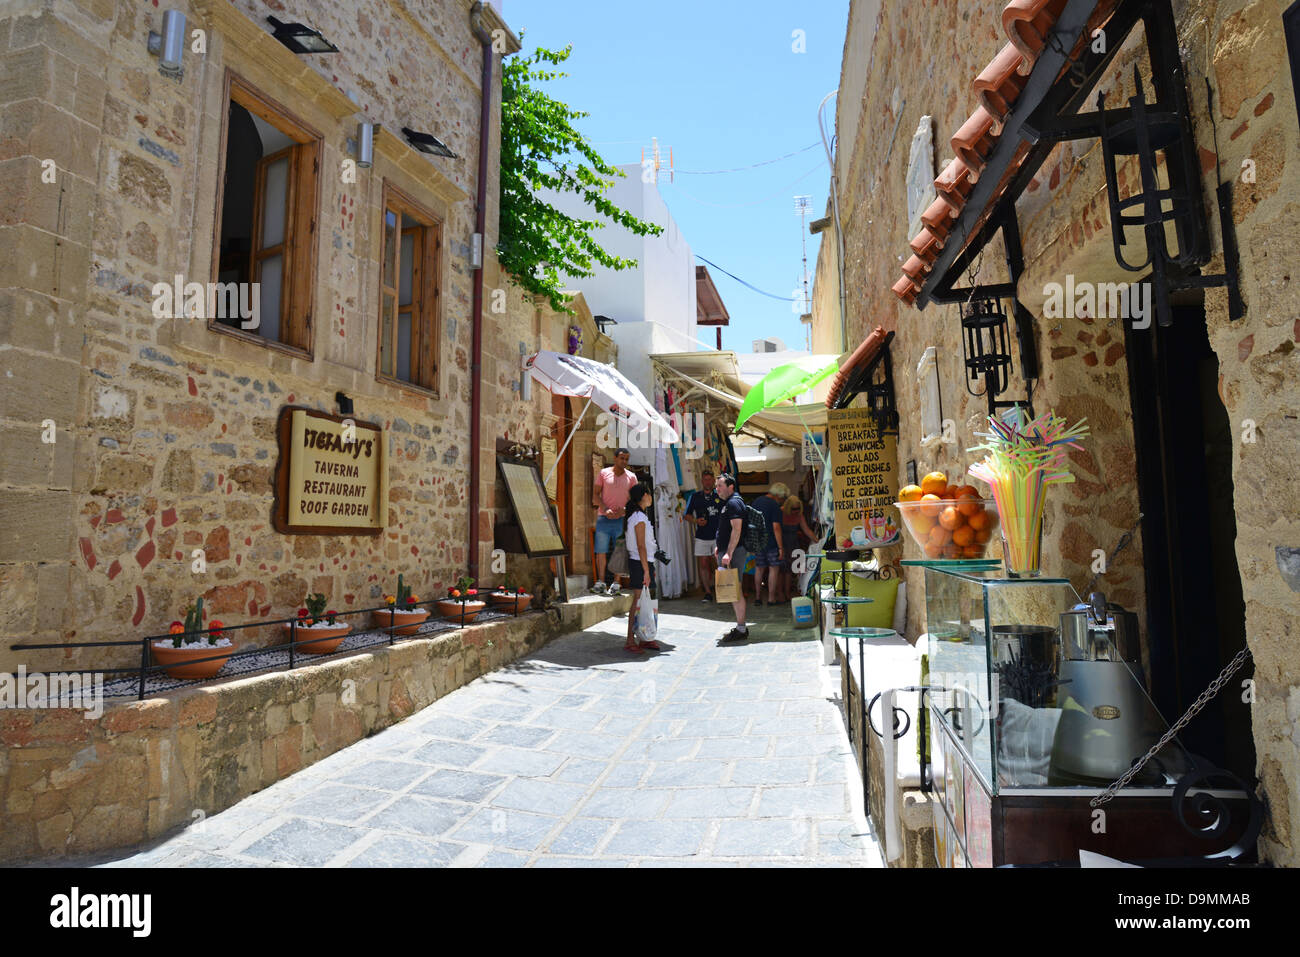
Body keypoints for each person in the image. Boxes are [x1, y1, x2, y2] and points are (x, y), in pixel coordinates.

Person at [592, 448, 636, 594]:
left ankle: (616, 583)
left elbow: (635, 499)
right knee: (601, 550)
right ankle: (601, 582)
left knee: (619, 550)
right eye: (622, 458)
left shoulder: (631, 477)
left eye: (627, 459)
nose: (624, 461)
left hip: (622, 520)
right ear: (615, 458)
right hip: (604, 518)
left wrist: (624, 509)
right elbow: (595, 496)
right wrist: (606, 509)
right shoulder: (604, 473)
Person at [623, 482, 659, 654]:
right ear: (644, 495)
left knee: (646, 600)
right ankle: (630, 639)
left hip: (643, 561)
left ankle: (644, 636)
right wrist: (646, 570)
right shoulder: (639, 518)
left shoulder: (639, 516)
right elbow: (640, 545)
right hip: (639, 562)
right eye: (649, 493)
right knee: (637, 601)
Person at [713, 473, 750, 642]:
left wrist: (728, 552)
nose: (717, 489)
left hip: (734, 552)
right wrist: (719, 548)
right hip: (728, 551)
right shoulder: (728, 503)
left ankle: (741, 628)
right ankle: (740, 627)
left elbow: (737, 530)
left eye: (720, 485)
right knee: (734, 590)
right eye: (716, 486)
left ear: (730, 486)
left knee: (735, 590)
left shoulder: (734, 503)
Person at [683, 470, 723, 602]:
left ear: (714, 481)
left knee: (718, 564)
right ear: (702, 481)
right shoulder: (695, 496)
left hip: (718, 536)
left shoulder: (720, 495)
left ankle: (721, 590)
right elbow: (686, 515)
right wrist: (696, 521)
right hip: (701, 536)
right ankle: (707, 592)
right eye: (705, 479)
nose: (707, 482)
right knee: (704, 564)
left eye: (710, 480)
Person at [750, 482, 788, 607]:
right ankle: (771, 599)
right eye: (783, 498)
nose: (782, 501)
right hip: (771, 542)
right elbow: (776, 527)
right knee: (773, 568)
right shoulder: (774, 506)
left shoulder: (756, 501)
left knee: (759, 568)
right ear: (779, 495)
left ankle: (757, 598)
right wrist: (781, 547)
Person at [778, 494, 819, 602]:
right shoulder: (780, 512)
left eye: (797, 508)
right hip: (782, 543)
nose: (795, 511)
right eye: (793, 509)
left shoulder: (799, 515)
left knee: (791, 570)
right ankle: (780, 593)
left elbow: (807, 530)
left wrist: (819, 542)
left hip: (793, 543)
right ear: (788, 507)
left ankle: (787, 593)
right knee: (780, 570)